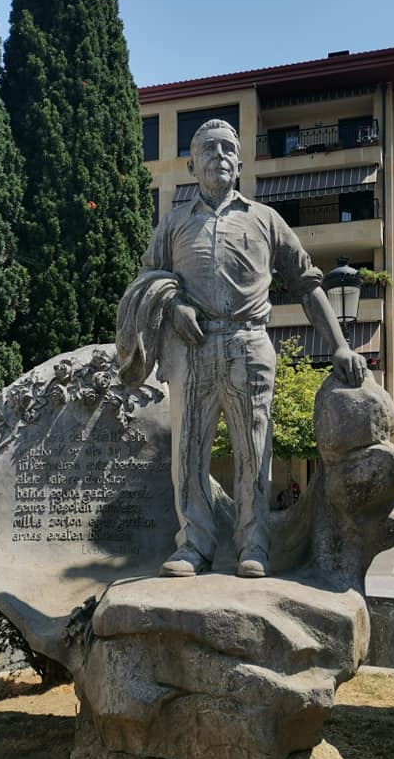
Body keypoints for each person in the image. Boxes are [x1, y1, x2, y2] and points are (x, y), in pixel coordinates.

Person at [116, 119, 366, 578]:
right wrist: (172, 307)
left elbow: (308, 284)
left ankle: (254, 544)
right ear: (191, 164)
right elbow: (146, 280)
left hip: (250, 344)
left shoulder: (265, 220)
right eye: (208, 148)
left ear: (241, 161)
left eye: (228, 147)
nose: (220, 155)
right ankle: (193, 544)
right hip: (190, 349)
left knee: (255, 448)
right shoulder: (173, 224)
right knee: (188, 451)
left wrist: (341, 347)